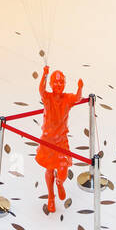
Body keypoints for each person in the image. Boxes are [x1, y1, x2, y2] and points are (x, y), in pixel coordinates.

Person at [36, 65, 83, 213]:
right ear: (50, 84)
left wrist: (80, 88)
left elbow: (77, 98)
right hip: (48, 140)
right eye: (55, 82)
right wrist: (44, 74)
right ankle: (50, 197)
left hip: (61, 140)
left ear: (64, 84)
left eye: (61, 82)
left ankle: (60, 182)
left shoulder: (67, 98)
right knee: (49, 169)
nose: (58, 85)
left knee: (63, 168)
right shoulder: (48, 97)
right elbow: (41, 90)